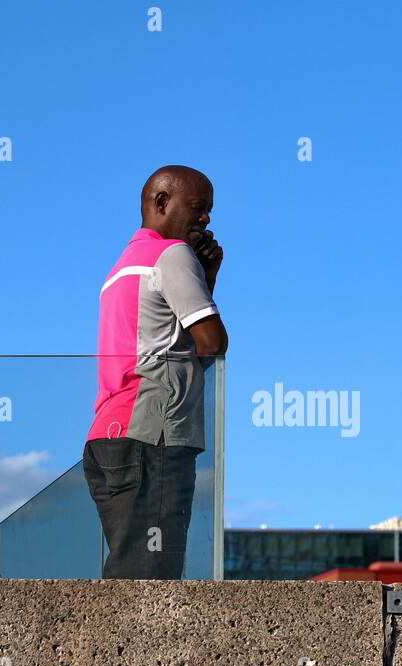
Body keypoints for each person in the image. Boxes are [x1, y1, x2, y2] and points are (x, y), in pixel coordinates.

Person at [83, 165, 229, 579]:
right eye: (199, 208)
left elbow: (167, 339)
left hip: (107, 438)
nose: (206, 220)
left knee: (131, 564)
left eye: (209, 211)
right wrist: (202, 275)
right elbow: (212, 342)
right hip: (154, 433)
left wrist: (204, 279)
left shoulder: (120, 268)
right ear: (162, 202)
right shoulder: (172, 254)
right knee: (153, 576)